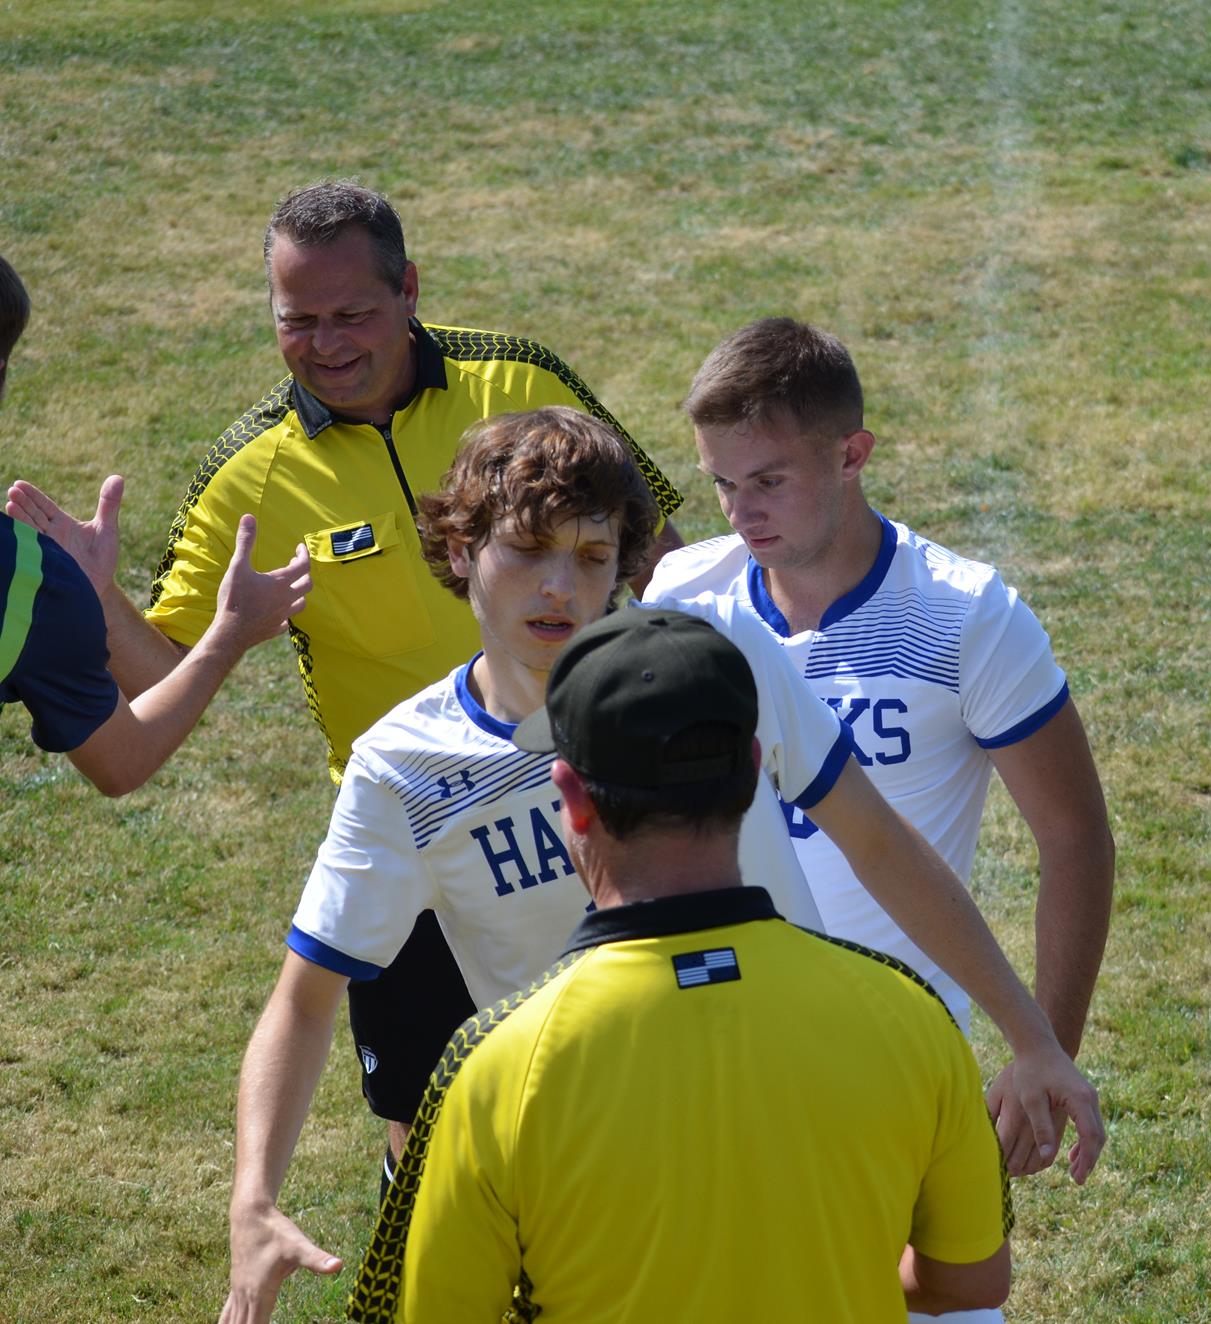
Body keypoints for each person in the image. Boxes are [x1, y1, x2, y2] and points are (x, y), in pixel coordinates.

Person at [223, 408, 1097, 1324]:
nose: (561, 587)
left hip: (784, 1092)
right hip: (596, 1143)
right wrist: (254, 1199)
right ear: (458, 551)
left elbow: (876, 841)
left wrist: (1032, 1037)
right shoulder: (406, 767)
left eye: (593, 557)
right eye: (528, 550)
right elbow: (305, 995)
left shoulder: (716, 669)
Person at [7, 183, 684, 1174]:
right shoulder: (252, 473)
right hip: (412, 829)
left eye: (353, 314)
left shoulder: (517, 379)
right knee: (433, 1123)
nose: (326, 344)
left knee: (644, 1079)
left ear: (407, 291)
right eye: (298, 322)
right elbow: (163, 673)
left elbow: (661, 551)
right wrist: (100, 598)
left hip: (593, 802)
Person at [346, 609, 1011, 1322]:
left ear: (570, 797)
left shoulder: (490, 1067)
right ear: (753, 772)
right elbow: (970, 1281)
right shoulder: (909, 1014)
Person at [646, 318, 1115, 1196]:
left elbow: (1074, 836)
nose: (742, 512)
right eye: (721, 483)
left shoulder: (966, 613)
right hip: (713, 1038)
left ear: (852, 454)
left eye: (769, 481)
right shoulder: (682, 599)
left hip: (895, 1053)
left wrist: (1043, 1049)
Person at [1, 254, 310, 795]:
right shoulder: (20, 581)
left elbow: (157, 685)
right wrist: (231, 632)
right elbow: (123, 760)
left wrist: (93, 598)